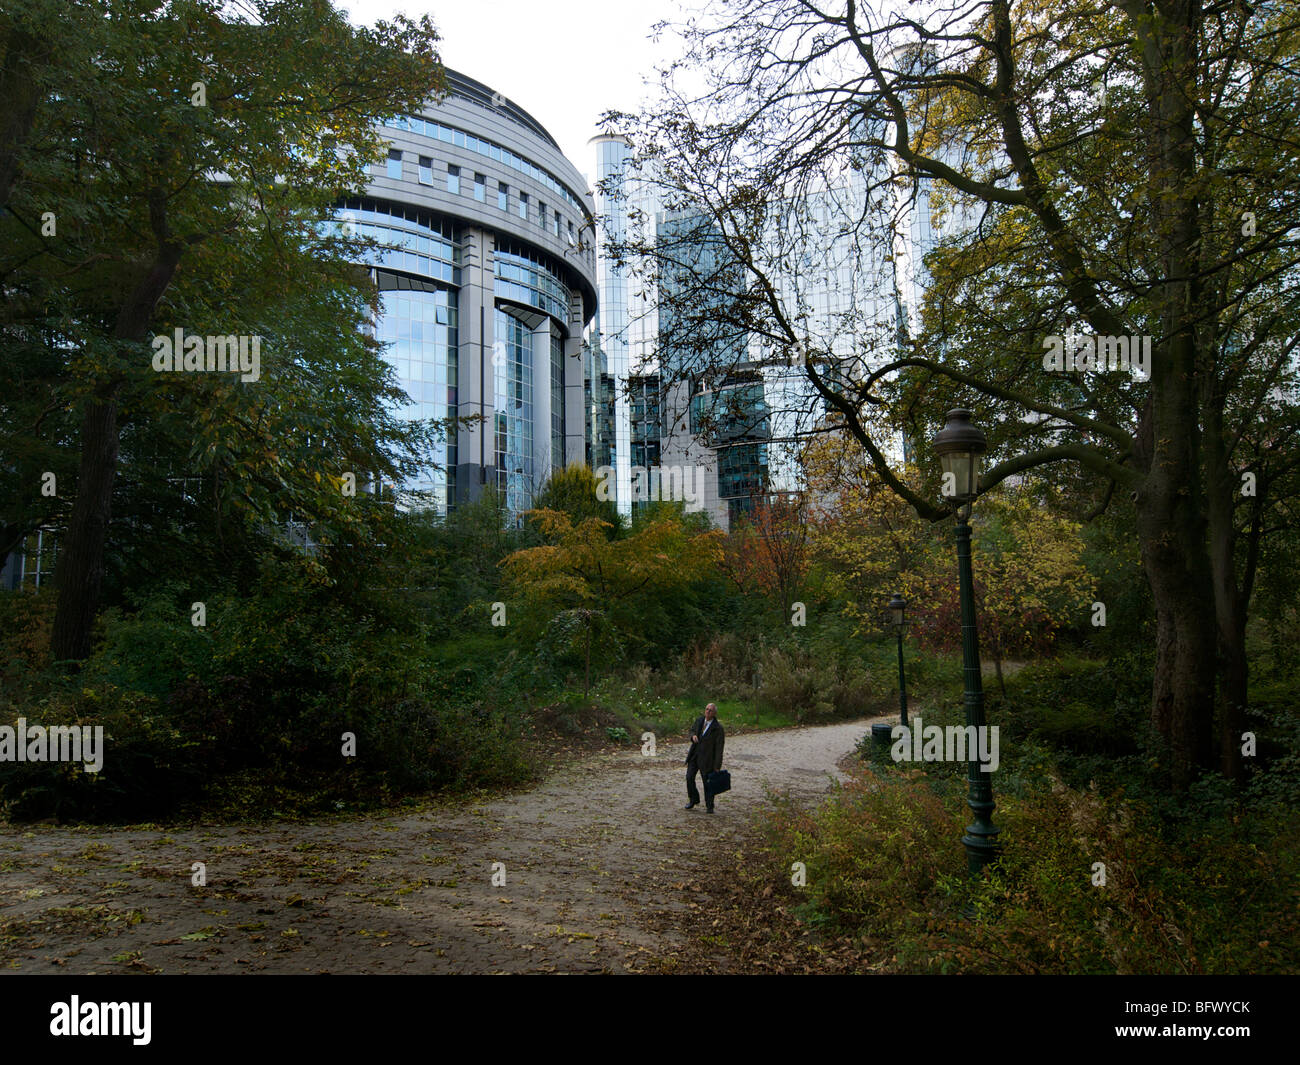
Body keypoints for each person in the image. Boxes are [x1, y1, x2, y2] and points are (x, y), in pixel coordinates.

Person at [684, 702, 725, 813]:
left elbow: (719, 748)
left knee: (707, 782)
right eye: (706, 709)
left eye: (710, 710)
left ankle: (709, 805)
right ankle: (693, 799)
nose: (707, 711)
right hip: (694, 755)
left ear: (714, 713)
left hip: (707, 759)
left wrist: (717, 765)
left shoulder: (718, 728)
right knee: (689, 777)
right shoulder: (699, 720)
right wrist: (693, 736)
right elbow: (691, 730)